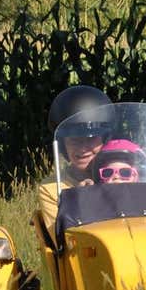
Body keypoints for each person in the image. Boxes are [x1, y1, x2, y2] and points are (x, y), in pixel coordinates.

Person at [37, 85, 111, 238]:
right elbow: (64, 243)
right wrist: (78, 201)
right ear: (63, 144)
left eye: (91, 139)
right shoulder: (51, 188)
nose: (83, 148)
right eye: (75, 140)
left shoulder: (124, 175)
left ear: (105, 139)